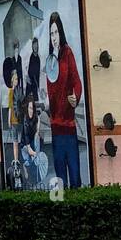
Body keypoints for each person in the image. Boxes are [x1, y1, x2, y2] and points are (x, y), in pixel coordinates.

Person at [44, 11, 84, 190]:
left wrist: (76, 96)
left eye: (56, 32)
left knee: (75, 175)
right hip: (55, 126)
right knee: (60, 179)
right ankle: (60, 211)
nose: (54, 37)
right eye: (51, 33)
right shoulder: (50, 60)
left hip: (69, 125)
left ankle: (78, 209)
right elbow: (50, 91)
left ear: (61, 32)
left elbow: (76, 80)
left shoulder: (67, 53)